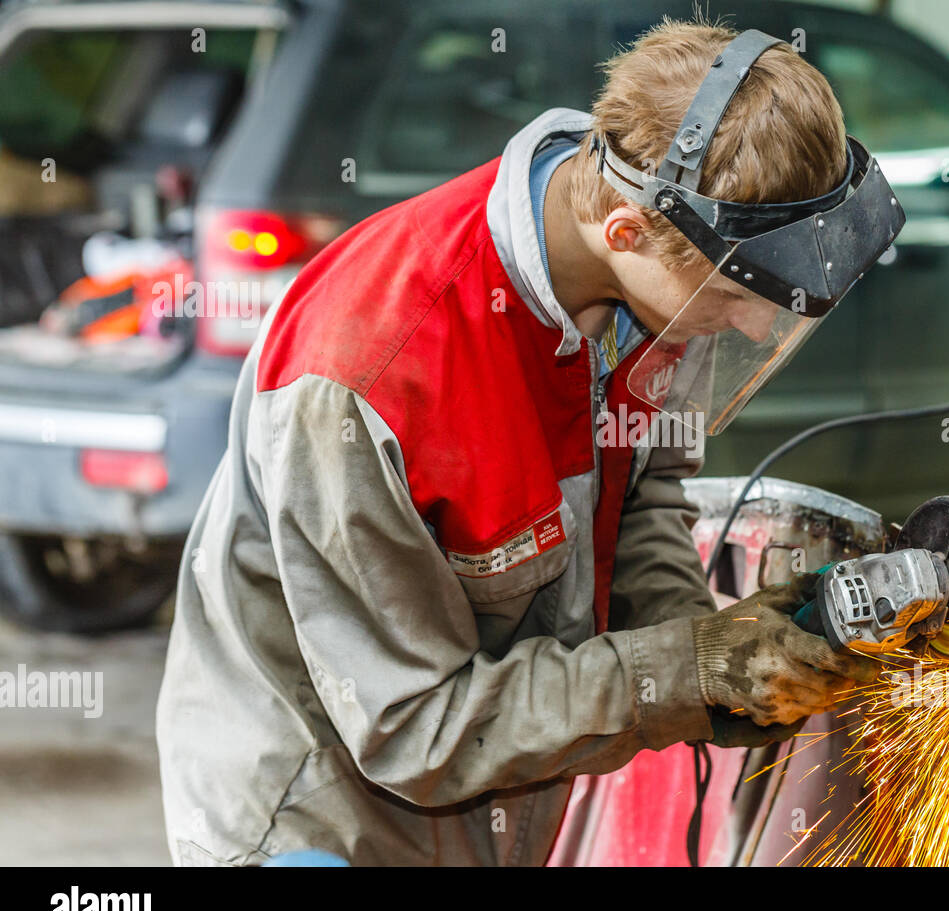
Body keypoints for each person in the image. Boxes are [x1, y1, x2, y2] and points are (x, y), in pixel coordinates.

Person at [156, 18, 902, 866]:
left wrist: (712, 657)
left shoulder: (660, 276)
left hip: (489, 811)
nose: (757, 321)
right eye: (741, 293)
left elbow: (643, 498)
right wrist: (679, 673)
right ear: (624, 232)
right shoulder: (366, 379)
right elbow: (415, 729)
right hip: (320, 819)